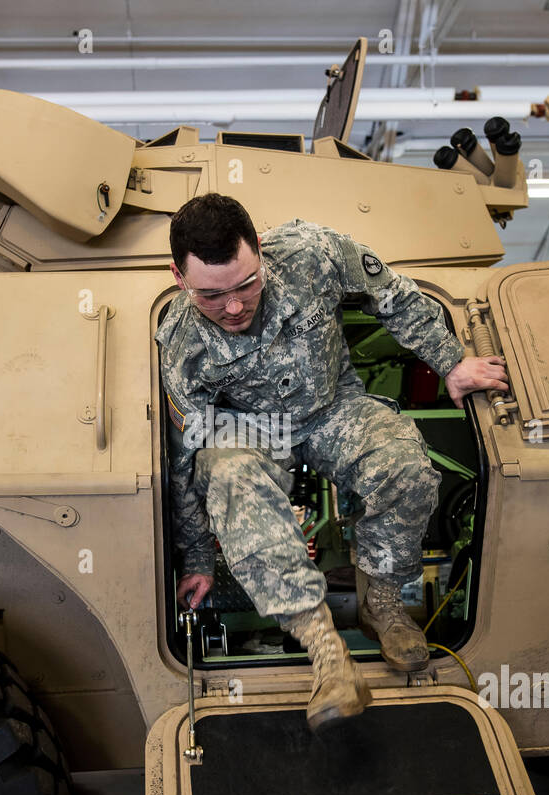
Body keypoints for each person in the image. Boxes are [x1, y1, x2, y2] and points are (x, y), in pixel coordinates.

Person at [155, 193, 509, 730]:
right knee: (225, 472)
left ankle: (382, 603)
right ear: (179, 278)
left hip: (331, 407)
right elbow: (186, 457)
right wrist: (198, 556)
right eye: (211, 294)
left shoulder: (311, 253)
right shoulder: (183, 346)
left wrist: (452, 362)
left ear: (262, 256)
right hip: (251, 430)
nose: (233, 307)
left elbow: (391, 293)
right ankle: (328, 655)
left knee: (406, 466)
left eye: (247, 284)